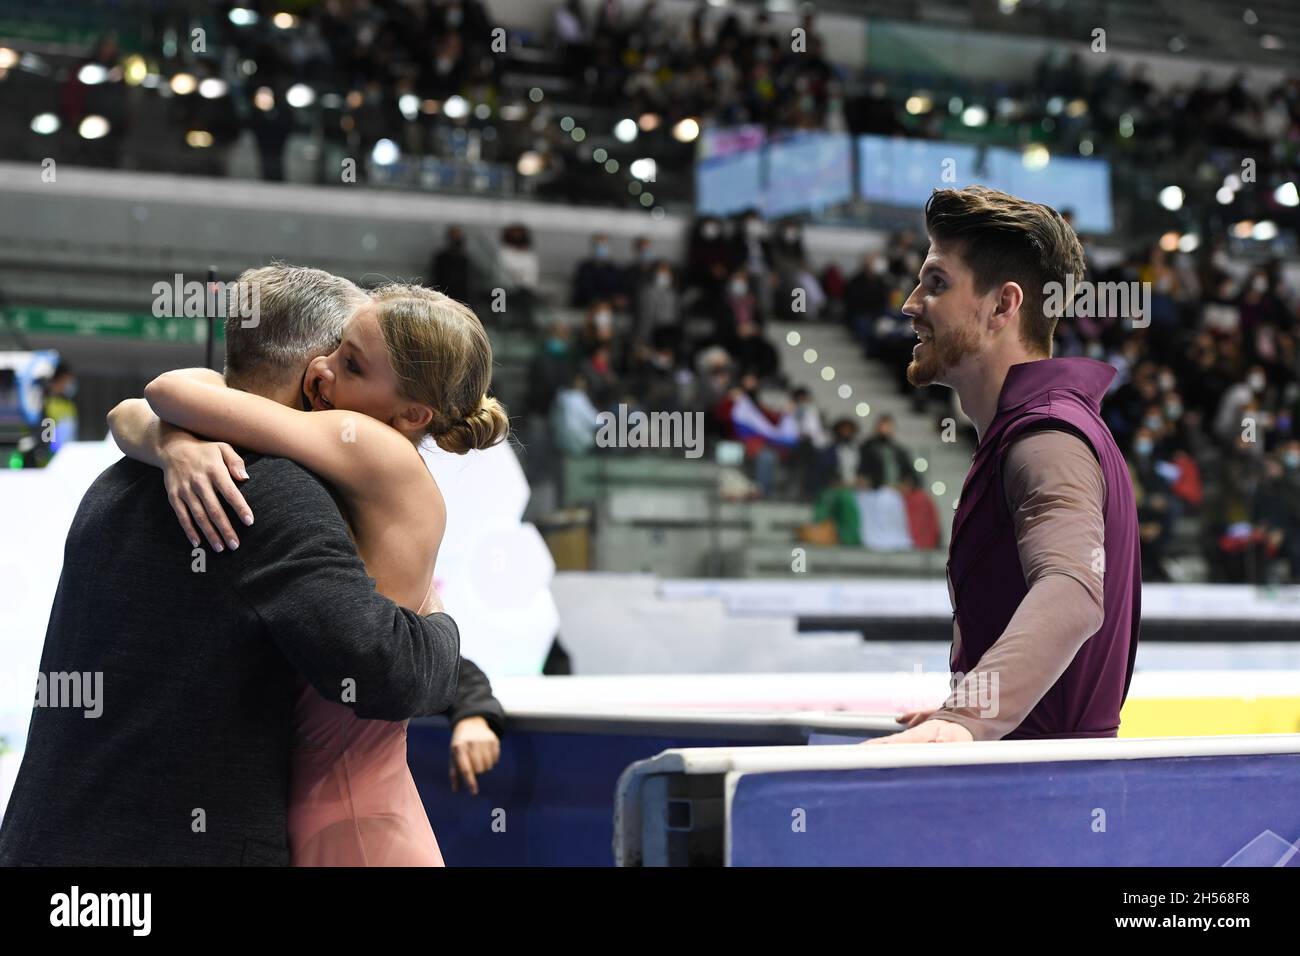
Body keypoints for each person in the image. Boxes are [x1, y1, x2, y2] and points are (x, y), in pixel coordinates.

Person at [0, 266, 465, 866]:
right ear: (316, 371)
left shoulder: (116, 480)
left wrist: (164, 438)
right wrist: (441, 622)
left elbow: (145, 405)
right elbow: (386, 672)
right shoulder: (270, 494)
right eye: (347, 360)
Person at [105, 274, 510, 863]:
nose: (320, 369)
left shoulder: (368, 446)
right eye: (336, 349)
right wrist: (173, 446)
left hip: (348, 814)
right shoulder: (373, 457)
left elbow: (168, 392)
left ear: (412, 412)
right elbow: (141, 408)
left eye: (350, 365)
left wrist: (173, 442)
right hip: (344, 800)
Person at [871, 186, 1141, 745]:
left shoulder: (1045, 437)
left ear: (1003, 305)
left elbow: (1070, 592)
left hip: (1042, 809)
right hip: (1042, 796)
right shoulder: (1037, 430)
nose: (911, 303)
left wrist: (965, 720)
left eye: (936, 283)